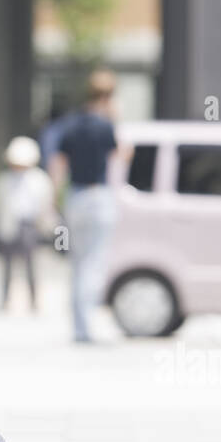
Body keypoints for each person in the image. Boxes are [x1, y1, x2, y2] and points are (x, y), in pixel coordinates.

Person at [47, 69, 131, 343]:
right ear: (109, 96)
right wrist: (117, 120)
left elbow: (57, 165)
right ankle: (85, 327)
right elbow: (123, 154)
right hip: (98, 197)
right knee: (94, 263)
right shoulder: (106, 126)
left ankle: (79, 326)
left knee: (78, 263)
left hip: (76, 197)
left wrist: (54, 200)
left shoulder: (70, 126)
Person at [0, 136, 57, 311]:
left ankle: (34, 301)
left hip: (29, 225)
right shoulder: (3, 179)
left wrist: (45, 225)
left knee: (31, 265)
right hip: (9, 224)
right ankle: (5, 300)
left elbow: (45, 205)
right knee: (7, 266)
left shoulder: (39, 180)